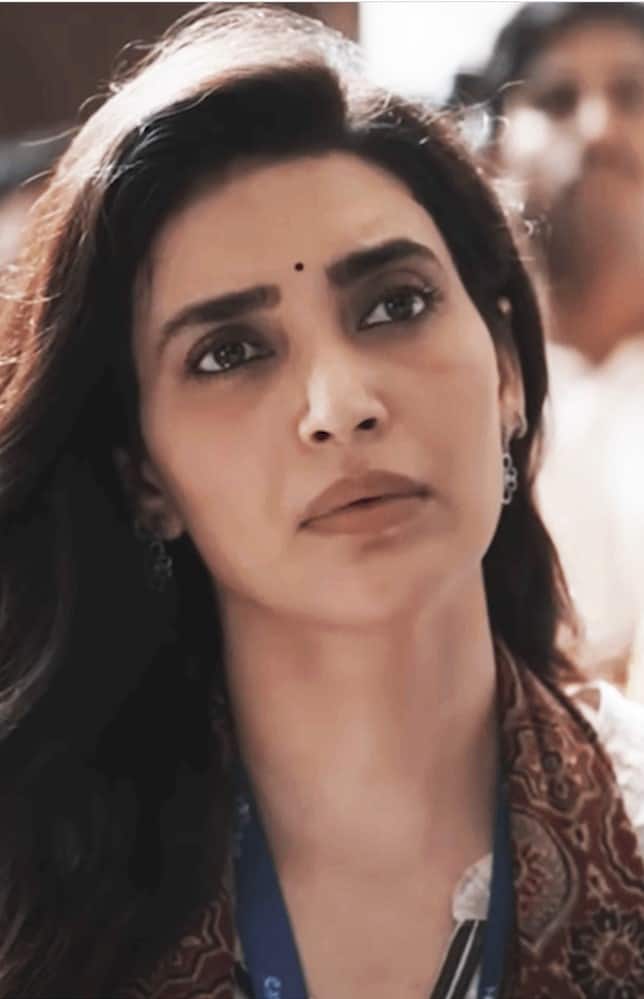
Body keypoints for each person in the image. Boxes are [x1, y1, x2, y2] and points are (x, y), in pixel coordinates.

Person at [0, 6, 643, 999]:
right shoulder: (31, 902)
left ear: (508, 370)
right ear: (143, 474)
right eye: (229, 353)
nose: (340, 405)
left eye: (394, 304)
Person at [452, 2, 644, 694]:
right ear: (490, 152)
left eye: (633, 95)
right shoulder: (452, 393)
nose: (599, 129)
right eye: (559, 100)